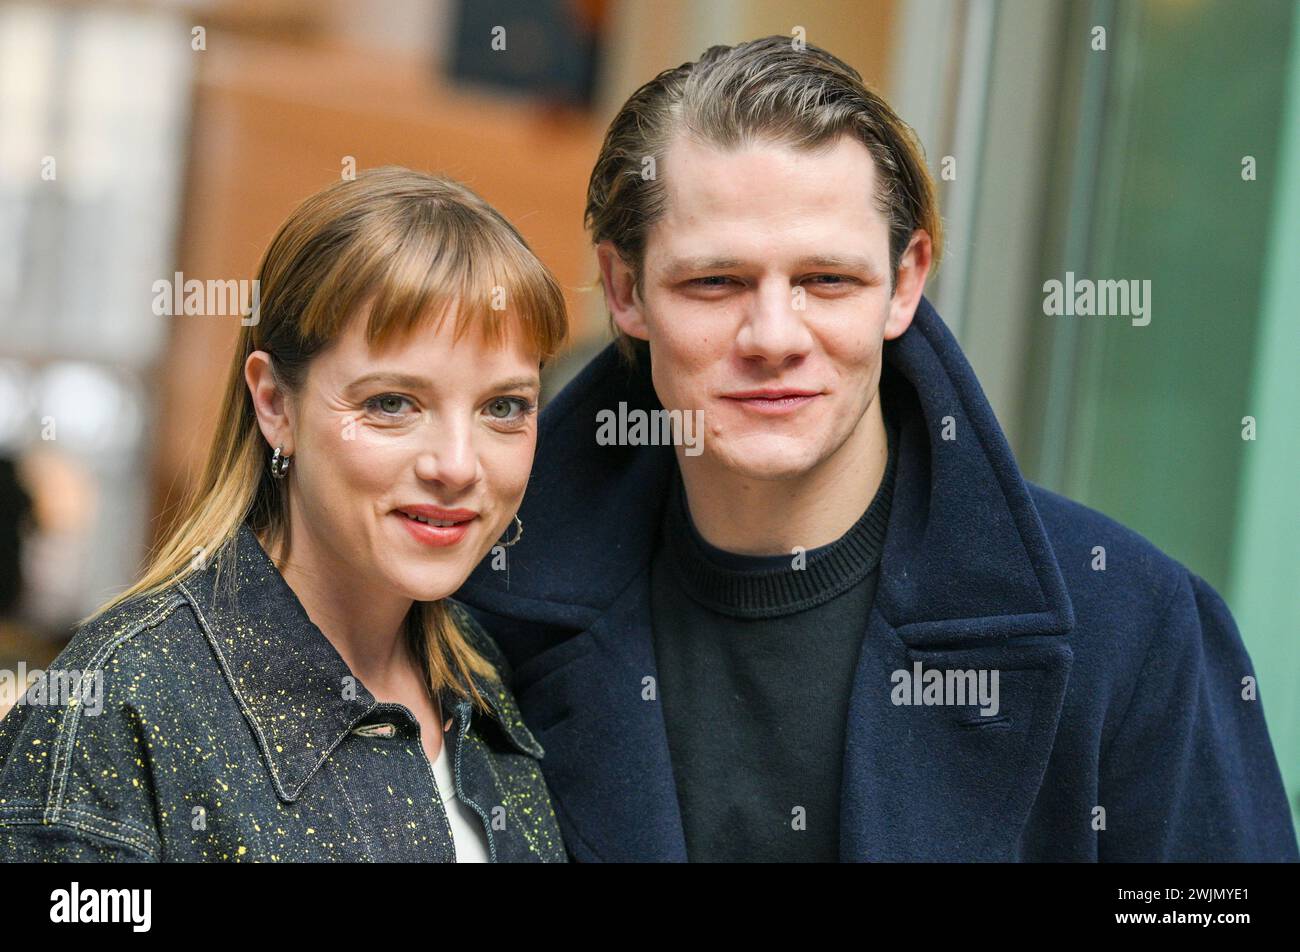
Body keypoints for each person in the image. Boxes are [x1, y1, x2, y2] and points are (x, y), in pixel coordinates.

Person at [455, 36, 1299, 862]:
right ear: (624, 291)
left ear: (906, 283)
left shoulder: (1133, 628)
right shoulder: (477, 615)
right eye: (716, 281)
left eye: (828, 280)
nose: (774, 337)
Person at [0, 167, 568, 862]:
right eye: (391, 403)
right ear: (274, 403)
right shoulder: (120, 705)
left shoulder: (489, 682)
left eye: (503, 407)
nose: (456, 465)